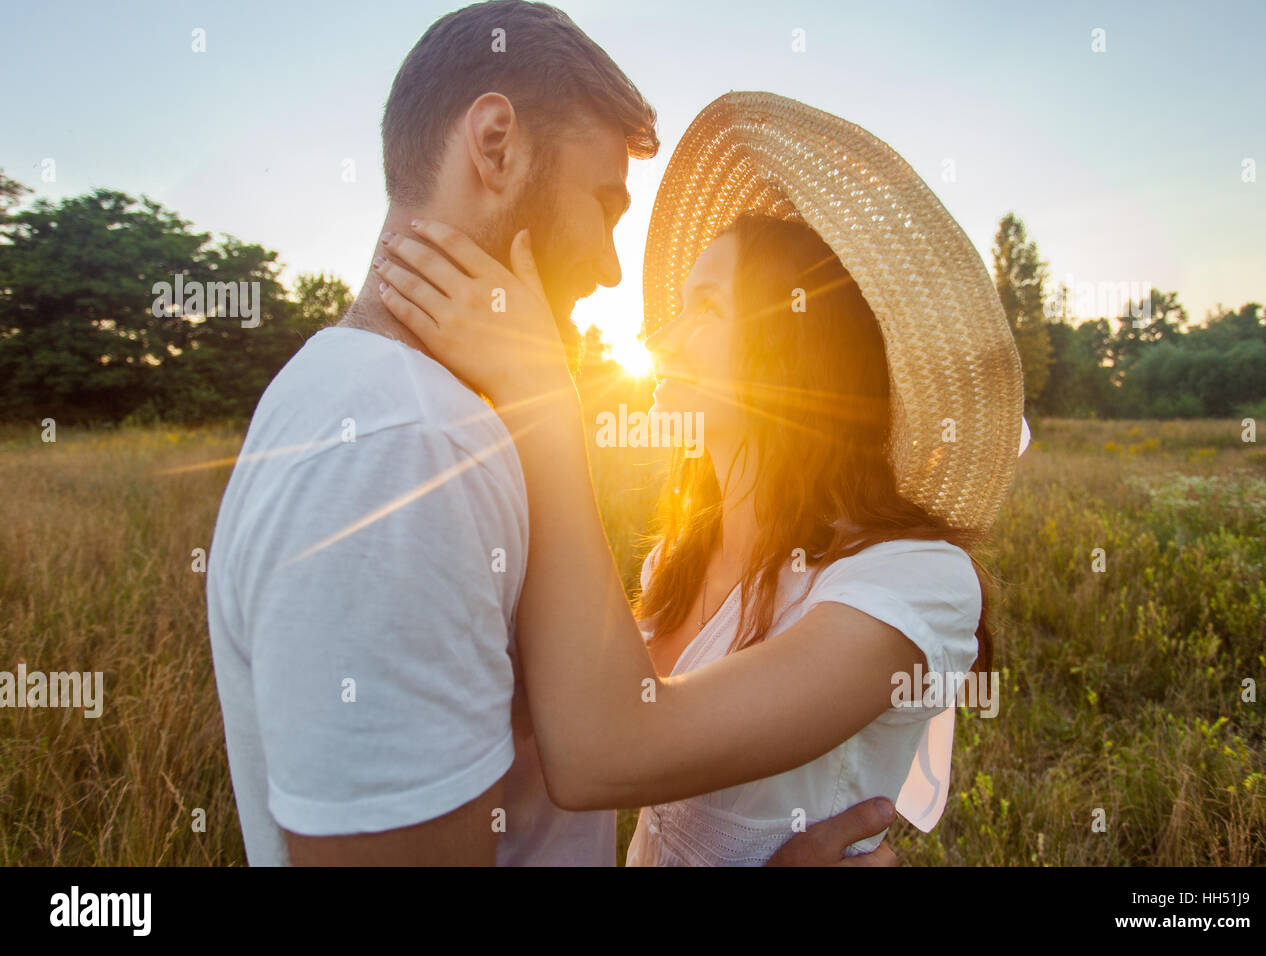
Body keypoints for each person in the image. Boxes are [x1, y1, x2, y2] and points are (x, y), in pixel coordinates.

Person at [206, 3, 894, 866]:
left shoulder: (405, 411)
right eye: (606, 206)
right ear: (495, 145)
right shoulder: (403, 440)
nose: (612, 268)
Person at [374, 91, 1030, 864]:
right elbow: (561, 724)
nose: (663, 338)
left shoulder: (916, 581)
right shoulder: (679, 558)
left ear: (799, 352)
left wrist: (540, 399)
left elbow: (601, 753)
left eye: (707, 308)